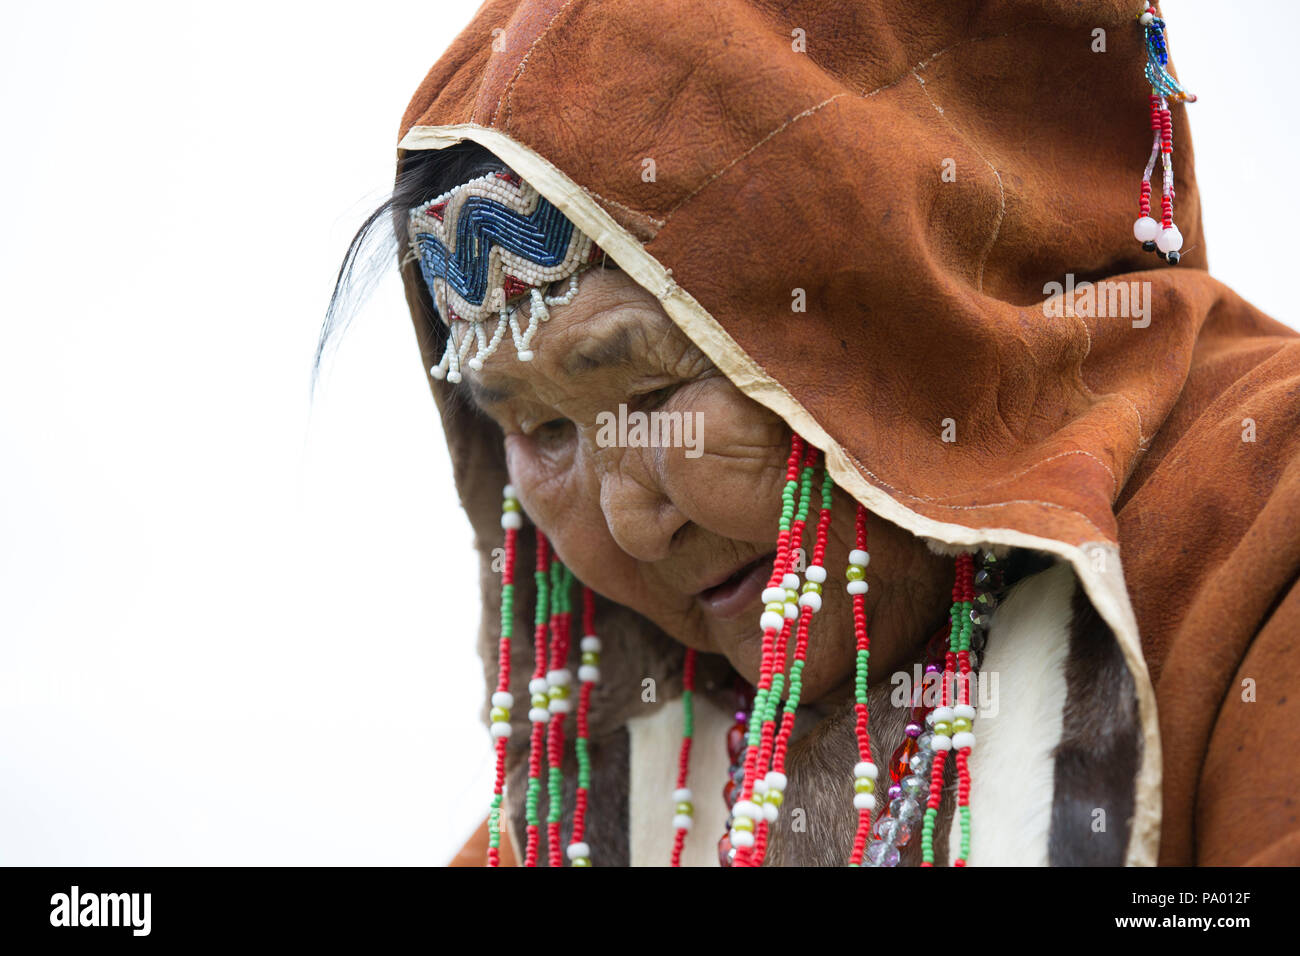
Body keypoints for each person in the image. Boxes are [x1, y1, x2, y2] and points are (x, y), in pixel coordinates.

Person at [326, 0, 1300, 866]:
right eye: (540, 428)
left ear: (903, 289)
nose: (630, 521)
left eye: (657, 388)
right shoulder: (584, 799)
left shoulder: (1260, 529)